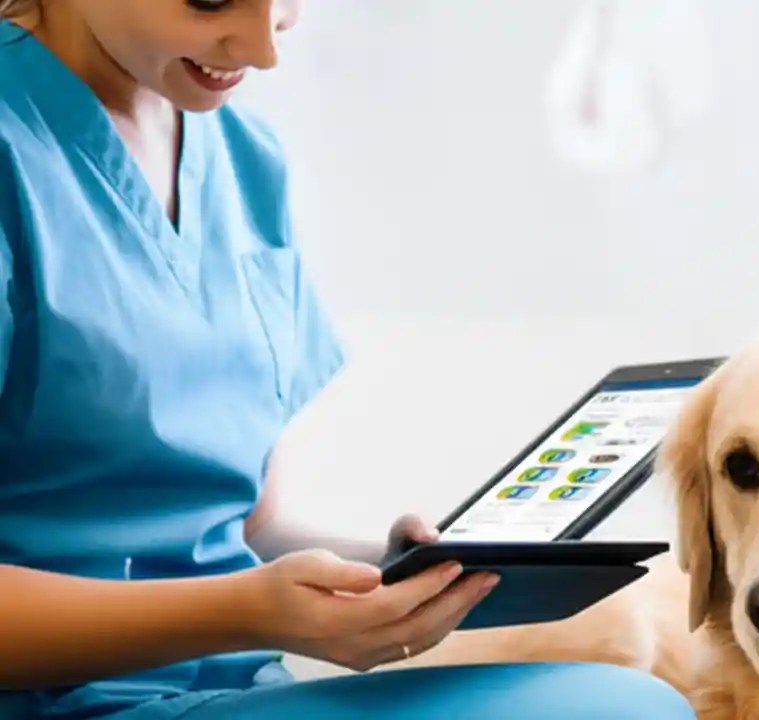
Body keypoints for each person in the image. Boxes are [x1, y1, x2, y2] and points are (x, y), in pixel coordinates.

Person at [0, 1, 694, 718]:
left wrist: (386, 572)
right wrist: (244, 613)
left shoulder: (245, 159)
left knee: (635, 700)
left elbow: (247, 529)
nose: (266, 50)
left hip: (234, 694)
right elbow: (232, 592)